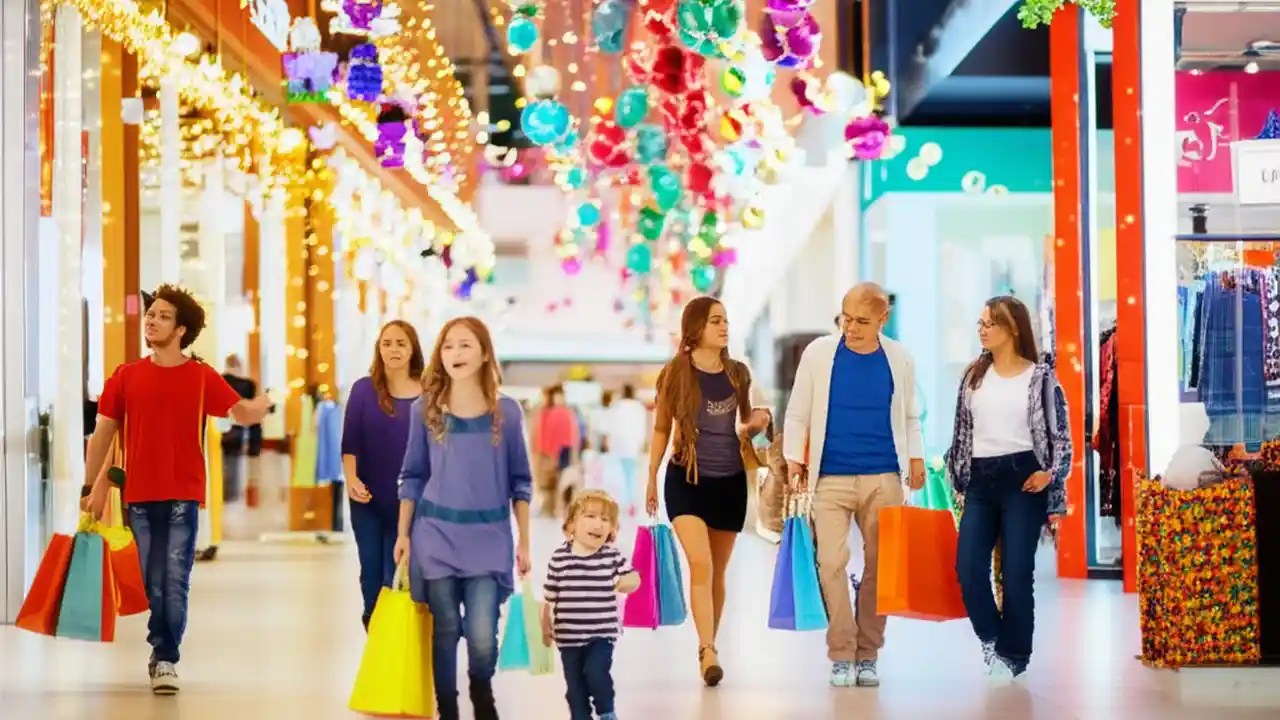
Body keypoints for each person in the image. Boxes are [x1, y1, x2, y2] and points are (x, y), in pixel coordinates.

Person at [82, 285, 272, 694]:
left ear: (182, 329)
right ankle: (162, 643)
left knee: (174, 577)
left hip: (184, 494)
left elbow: (238, 411)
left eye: (163, 316)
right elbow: (104, 434)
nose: (152, 320)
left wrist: (261, 406)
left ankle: (165, 656)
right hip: (138, 494)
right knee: (153, 580)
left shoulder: (202, 377)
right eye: (151, 314)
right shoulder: (126, 376)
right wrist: (90, 485)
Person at [783, 282, 925, 689]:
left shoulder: (899, 358)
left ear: (884, 319)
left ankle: (868, 653)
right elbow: (797, 414)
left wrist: (915, 456)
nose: (852, 328)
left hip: (884, 476)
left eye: (863, 321)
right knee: (831, 565)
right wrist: (795, 458)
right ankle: (842, 652)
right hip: (830, 477)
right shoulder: (819, 354)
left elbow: (910, 415)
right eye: (846, 319)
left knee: (881, 568)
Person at [395, 316, 533, 720]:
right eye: (449, 346)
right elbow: (413, 475)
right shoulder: (425, 410)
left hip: (489, 538)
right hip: (435, 535)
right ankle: (449, 709)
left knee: (481, 638)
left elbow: (520, 481)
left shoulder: (507, 413)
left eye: (466, 345)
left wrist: (524, 540)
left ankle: (481, 693)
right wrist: (404, 534)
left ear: (485, 352)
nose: (455, 353)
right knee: (446, 630)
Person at [645, 296, 770, 686]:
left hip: (730, 483)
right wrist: (651, 476)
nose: (724, 327)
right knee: (700, 564)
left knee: (717, 572)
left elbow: (751, 418)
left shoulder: (738, 373)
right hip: (686, 481)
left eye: (726, 321)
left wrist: (760, 419)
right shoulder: (675, 373)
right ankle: (708, 651)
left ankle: (708, 642)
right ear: (695, 327)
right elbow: (662, 428)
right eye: (716, 321)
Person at [945, 295, 1069, 681]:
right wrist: (959, 478)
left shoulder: (1041, 378)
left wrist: (1051, 473)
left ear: (1012, 329)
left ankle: (1014, 655)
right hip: (981, 480)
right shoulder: (972, 377)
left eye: (989, 323)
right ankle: (992, 638)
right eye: (979, 322)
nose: (981, 329)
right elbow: (961, 433)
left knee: (1017, 573)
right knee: (967, 568)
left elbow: (1061, 436)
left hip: (1023, 480)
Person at [341, 320, 426, 630]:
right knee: (371, 569)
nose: (394, 349)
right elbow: (351, 441)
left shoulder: (428, 391)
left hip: (410, 500)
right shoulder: (364, 389)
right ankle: (373, 625)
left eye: (401, 343)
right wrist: (351, 478)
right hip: (367, 497)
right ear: (379, 348)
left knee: (397, 568)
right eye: (387, 343)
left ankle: (395, 633)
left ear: (413, 349)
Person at [540, 490, 640, 720]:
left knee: (597, 673)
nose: (598, 524)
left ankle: (606, 712)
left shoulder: (611, 557)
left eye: (605, 520)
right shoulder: (560, 558)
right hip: (568, 638)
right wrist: (545, 626)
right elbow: (549, 596)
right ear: (571, 524)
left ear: (612, 530)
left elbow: (634, 577)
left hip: (601, 634)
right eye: (590, 516)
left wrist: (625, 582)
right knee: (575, 688)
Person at [532, 384, 580, 517]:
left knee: (562, 479)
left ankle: (559, 507)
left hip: (565, 450)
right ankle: (551, 506)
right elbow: (543, 434)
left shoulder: (567, 412)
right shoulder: (546, 412)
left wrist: (574, 454)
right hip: (549, 451)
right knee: (550, 480)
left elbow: (572, 434)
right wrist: (545, 452)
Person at [219, 354, 259, 503]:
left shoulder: (219, 381)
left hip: (219, 425)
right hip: (238, 426)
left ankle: (220, 490)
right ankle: (232, 493)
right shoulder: (247, 385)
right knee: (234, 460)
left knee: (220, 459)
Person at [606, 384, 649, 516]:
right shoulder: (639, 408)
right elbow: (642, 428)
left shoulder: (616, 407)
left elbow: (611, 426)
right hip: (634, 445)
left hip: (619, 444)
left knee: (620, 474)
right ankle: (632, 503)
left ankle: (622, 502)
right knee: (632, 474)